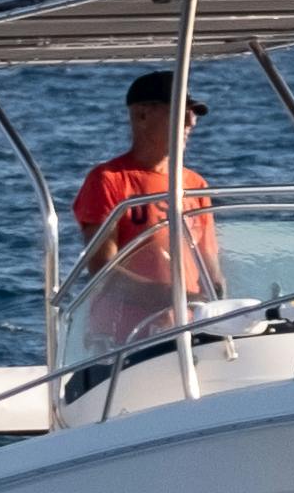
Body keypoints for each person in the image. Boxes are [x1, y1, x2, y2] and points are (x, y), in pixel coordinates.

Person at [68, 71, 221, 339]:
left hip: (188, 331)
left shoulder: (196, 184)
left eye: (192, 113)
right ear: (141, 115)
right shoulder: (108, 180)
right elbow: (104, 272)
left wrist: (218, 309)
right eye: (179, 111)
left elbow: (210, 267)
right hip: (123, 340)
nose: (191, 122)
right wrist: (172, 297)